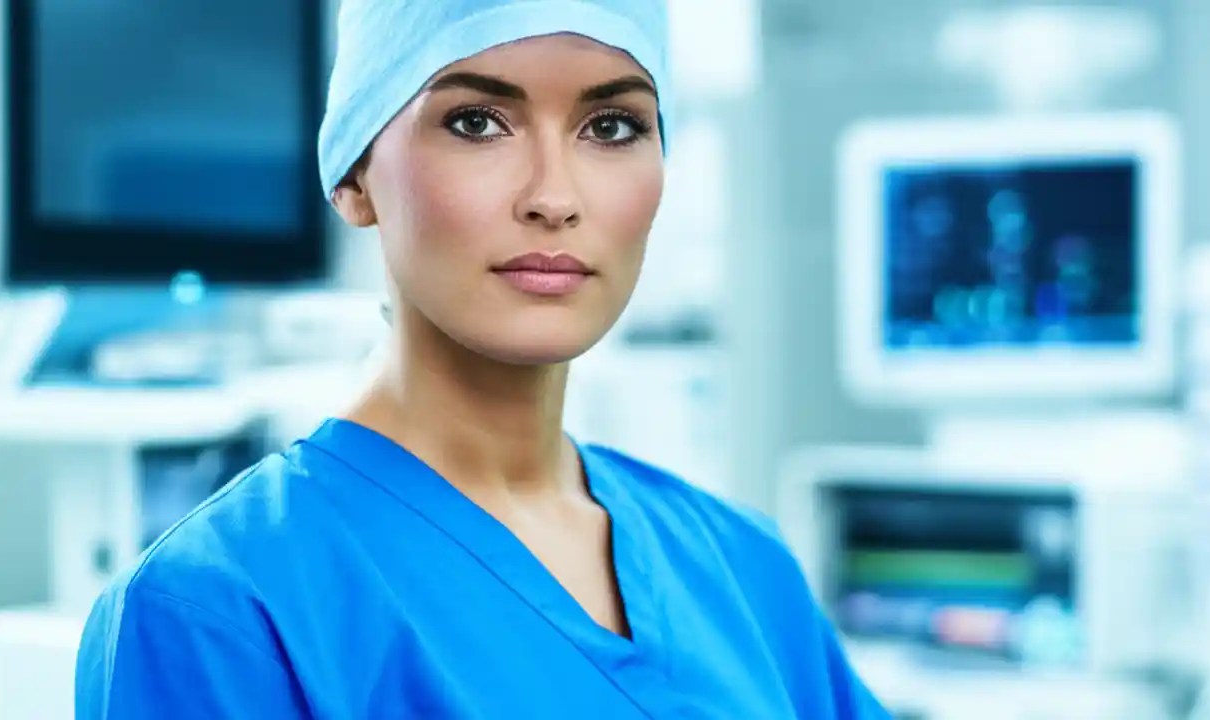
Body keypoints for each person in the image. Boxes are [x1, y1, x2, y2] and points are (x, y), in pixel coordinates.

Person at [75, 1, 891, 717]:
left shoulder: (742, 567)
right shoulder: (220, 611)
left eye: (611, 127)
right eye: (477, 122)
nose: (554, 196)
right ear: (355, 172)